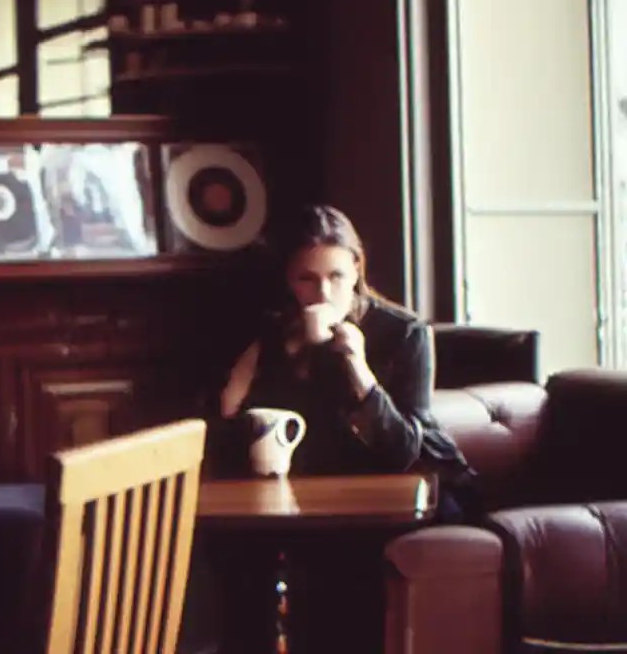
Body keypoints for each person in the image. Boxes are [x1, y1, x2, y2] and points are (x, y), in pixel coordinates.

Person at [187, 204, 478, 654]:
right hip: (313, 497)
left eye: (336, 276)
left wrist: (359, 370)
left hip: (411, 488)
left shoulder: (404, 334)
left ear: (357, 270)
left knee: (343, 566)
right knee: (230, 552)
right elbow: (227, 433)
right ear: (288, 279)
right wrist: (247, 372)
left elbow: (402, 451)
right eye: (307, 279)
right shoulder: (274, 333)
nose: (322, 293)